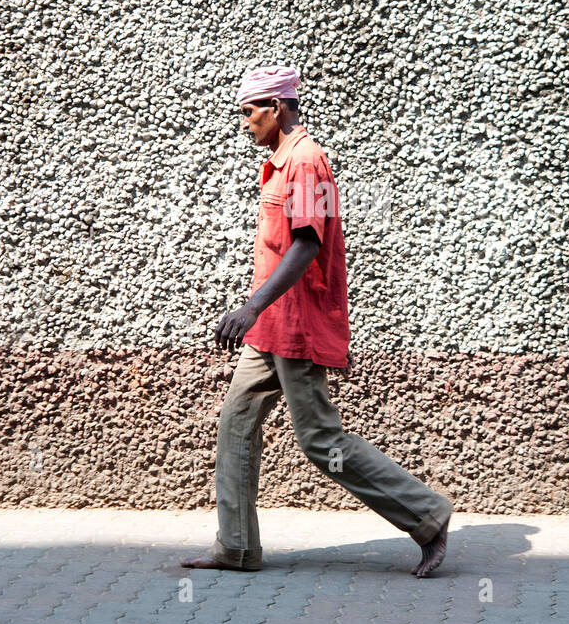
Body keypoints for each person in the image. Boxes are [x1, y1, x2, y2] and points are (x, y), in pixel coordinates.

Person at [180, 65, 453, 578]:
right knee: (236, 425)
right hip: (270, 326)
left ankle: (426, 515)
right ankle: (236, 548)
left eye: (248, 112)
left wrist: (251, 306)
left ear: (276, 109)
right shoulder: (281, 163)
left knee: (319, 439)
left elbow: (307, 245)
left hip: (295, 324)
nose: (243, 123)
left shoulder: (307, 162)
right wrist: (259, 312)